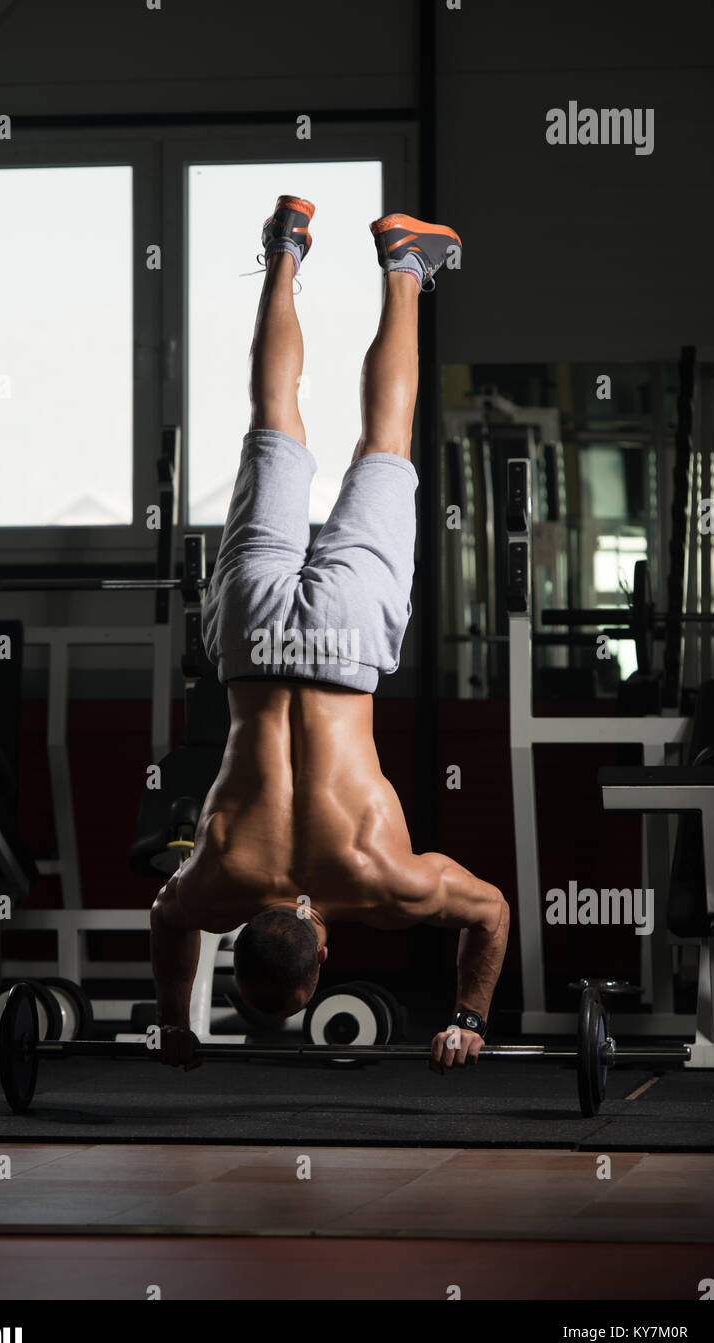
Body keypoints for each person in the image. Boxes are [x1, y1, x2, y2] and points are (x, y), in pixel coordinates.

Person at [151, 195, 508, 1074]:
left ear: (321, 955)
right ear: (240, 937)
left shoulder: (382, 881)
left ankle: (405, 267)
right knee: (273, 416)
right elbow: (167, 918)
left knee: (384, 441)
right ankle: (285, 247)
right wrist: (171, 1022)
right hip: (251, 641)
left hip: (345, 644)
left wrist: (467, 1018)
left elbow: (492, 911)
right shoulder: (216, 884)